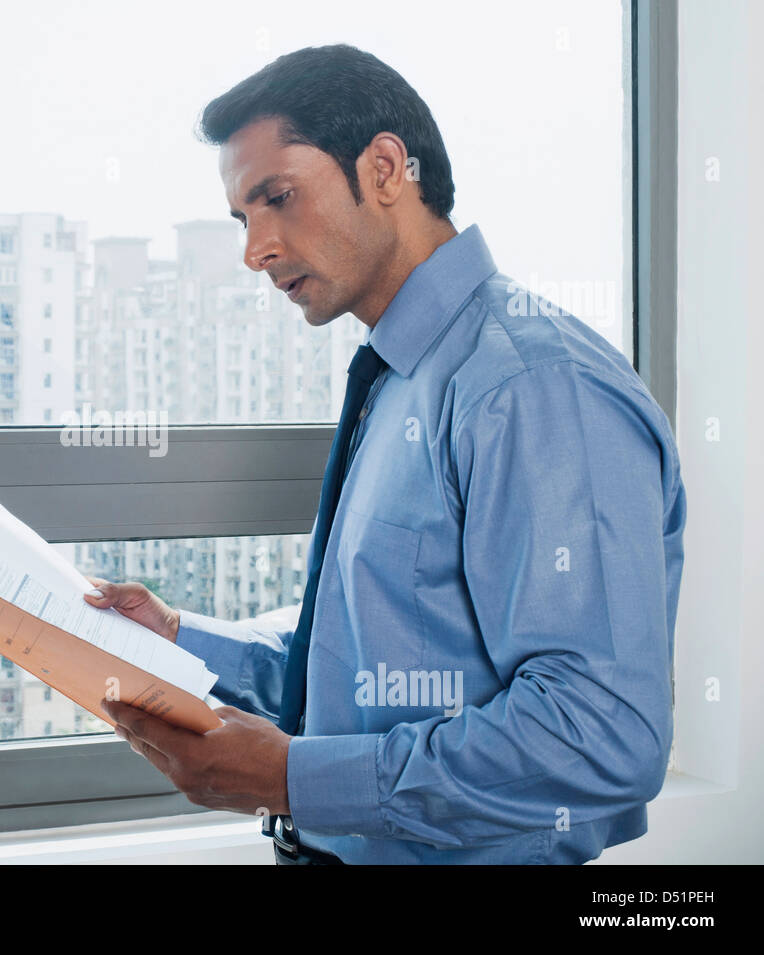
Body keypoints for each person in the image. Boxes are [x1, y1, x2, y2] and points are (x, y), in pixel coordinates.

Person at [84, 44, 686, 865]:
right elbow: (370, 662)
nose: (255, 249)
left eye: (278, 198)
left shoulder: (531, 386)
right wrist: (179, 637)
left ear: (386, 167)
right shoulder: (403, 377)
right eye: (242, 218)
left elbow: (600, 733)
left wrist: (297, 777)